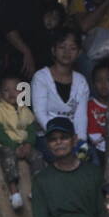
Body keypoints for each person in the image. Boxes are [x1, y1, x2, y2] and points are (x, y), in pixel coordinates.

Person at [0, 72, 40, 211]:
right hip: (3, 146)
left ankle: (36, 189)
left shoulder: (25, 110)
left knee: (37, 155)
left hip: (23, 146)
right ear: (0, 93)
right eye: (6, 90)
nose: (11, 93)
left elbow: (32, 131)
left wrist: (27, 145)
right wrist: (15, 147)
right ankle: (14, 192)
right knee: (8, 155)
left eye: (16, 89)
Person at [30, 28, 89, 158]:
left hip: (72, 139)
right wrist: (57, 136)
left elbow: (80, 117)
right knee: (62, 159)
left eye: (72, 48)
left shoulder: (81, 81)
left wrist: (80, 141)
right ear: (53, 50)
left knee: (89, 160)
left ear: (79, 52)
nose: (67, 52)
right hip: (46, 136)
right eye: (62, 47)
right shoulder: (41, 77)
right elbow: (39, 113)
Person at [0, 0, 49, 78]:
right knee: (22, 95)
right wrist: (26, 51)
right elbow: (9, 28)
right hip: (19, 57)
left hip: (41, 55)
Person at [86, 58, 109, 161]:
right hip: (97, 147)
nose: (104, 85)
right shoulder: (90, 105)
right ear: (93, 83)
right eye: (99, 81)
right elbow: (93, 134)